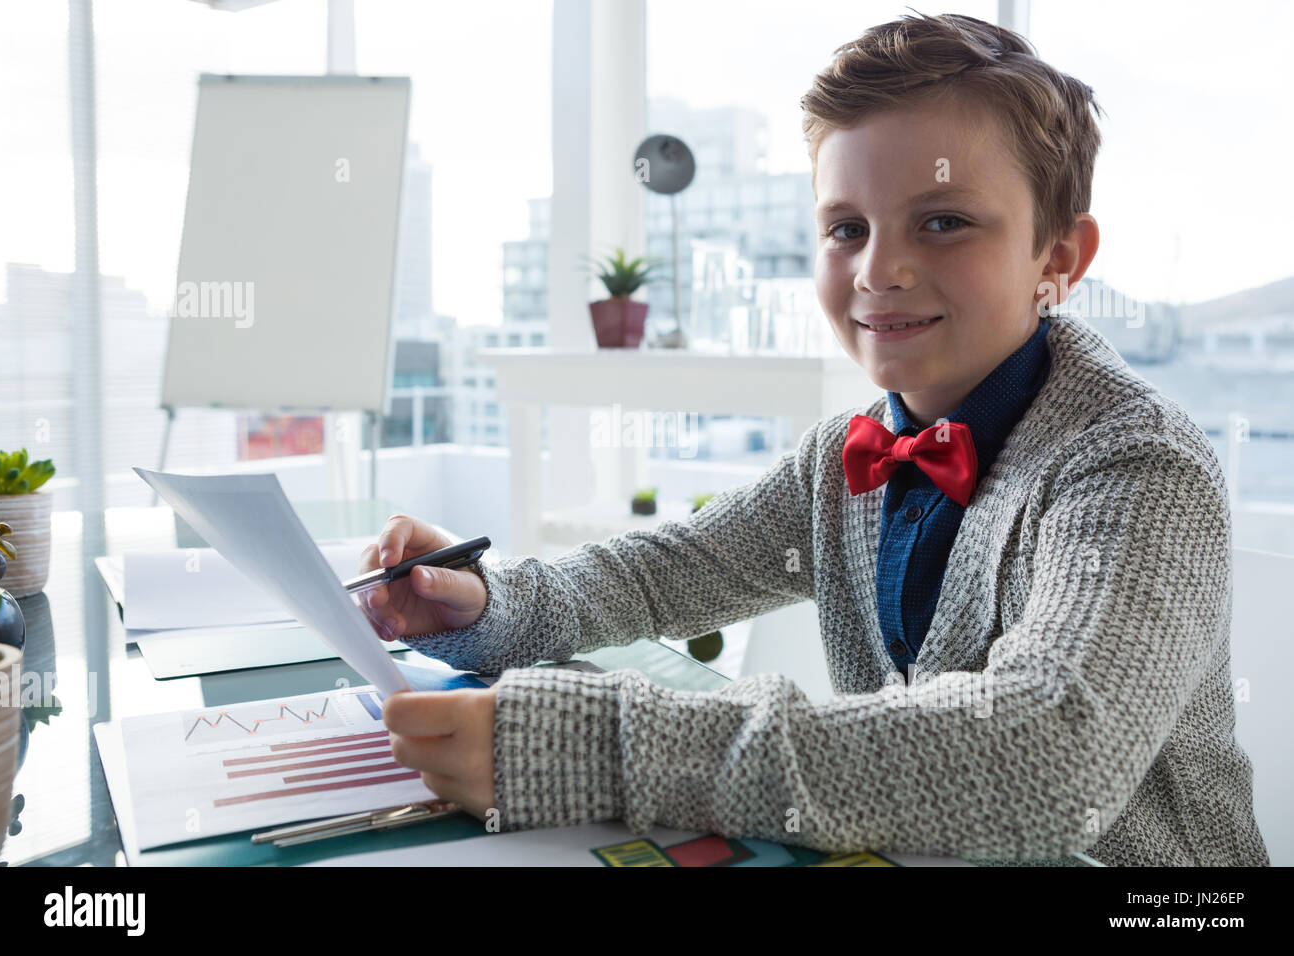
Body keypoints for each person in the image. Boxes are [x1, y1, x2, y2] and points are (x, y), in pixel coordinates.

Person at [359, 12, 1269, 865]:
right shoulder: (846, 455)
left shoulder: (1138, 464)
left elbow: (1051, 754)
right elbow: (659, 573)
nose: (880, 270)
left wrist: (602, 745)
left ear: (1058, 261)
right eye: (846, 229)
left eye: (943, 221)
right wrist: (490, 603)